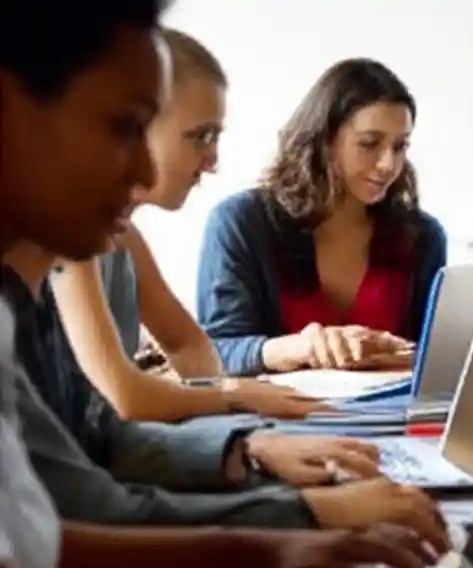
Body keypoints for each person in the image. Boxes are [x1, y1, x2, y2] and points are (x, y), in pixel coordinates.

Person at [0, 5, 473, 568]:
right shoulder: (220, 228)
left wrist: (270, 537)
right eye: (123, 125)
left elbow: (51, 520)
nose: (143, 168)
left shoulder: (24, 301)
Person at [46, 28, 322, 423]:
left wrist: (245, 427)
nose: (213, 161)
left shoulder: (127, 239)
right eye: (200, 136)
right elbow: (125, 396)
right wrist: (232, 399)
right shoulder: (66, 237)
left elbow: (187, 346)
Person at [198, 58, 447, 376]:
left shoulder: (422, 237)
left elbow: (435, 359)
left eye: (400, 146)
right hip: (277, 418)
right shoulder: (240, 223)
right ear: (324, 140)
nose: (388, 164)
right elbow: (215, 353)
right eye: (370, 144)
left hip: (388, 419)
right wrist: (299, 347)